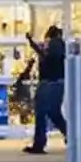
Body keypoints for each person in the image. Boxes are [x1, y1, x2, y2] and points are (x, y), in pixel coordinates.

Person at [23, 25, 68, 154]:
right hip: (58, 83)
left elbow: (46, 57)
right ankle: (71, 135)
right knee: (54, 113)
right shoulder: (61, 46)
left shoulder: (54, 45)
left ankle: (39, 143)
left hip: (48, 83)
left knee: (41, 112)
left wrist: (32, 43)